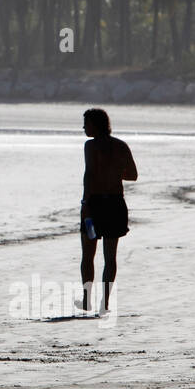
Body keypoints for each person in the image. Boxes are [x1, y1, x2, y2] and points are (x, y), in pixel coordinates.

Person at [77, 109, 138, 315]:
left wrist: (85, 203)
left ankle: (86, 300)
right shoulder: (120, 146)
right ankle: (105, 303)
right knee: (110, 256)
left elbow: (89, 175)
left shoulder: (90, 146)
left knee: (88, 253)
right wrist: (114, 172)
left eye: (86, 123)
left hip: (94, 207)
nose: (84, 127)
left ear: (96, 125)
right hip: (115, 205)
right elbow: (132, 175)